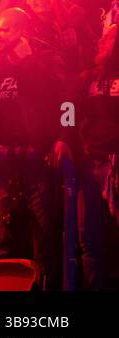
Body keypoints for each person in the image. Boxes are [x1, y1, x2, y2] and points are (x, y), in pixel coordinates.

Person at [0, 8, 70, 287]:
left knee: (45, 235)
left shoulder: (44, 59)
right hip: (5, 159)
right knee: (4, 233)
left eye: (5, 30)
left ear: (22, 31)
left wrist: (27, 62)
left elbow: (59, 98)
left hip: (38, 160)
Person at [68, 21, 119, 289]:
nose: (101, 44)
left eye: (108, 40)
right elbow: (66, 107)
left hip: (115, 162)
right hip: (90, 164)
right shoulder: (87, 77)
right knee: (90, 238)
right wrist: (66, 141)